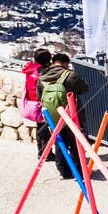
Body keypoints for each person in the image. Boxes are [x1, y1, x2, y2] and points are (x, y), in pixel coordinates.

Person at [36, 52, 90, 180]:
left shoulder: (41, 78)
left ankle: (64, 173)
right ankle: (80, 173)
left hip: (52, 117)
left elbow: (40, 97)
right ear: (66, 63)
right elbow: (84, 89)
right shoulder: (70, 75)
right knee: (76, 143)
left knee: (60, 143)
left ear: (53, 62)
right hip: (72, 115)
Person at [20, 47, 51, 126]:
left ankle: (40, 137)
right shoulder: (42, 72)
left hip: (32, 103)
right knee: (46, 127)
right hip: (41, 104)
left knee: (40, 126)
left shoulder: (31, 70)